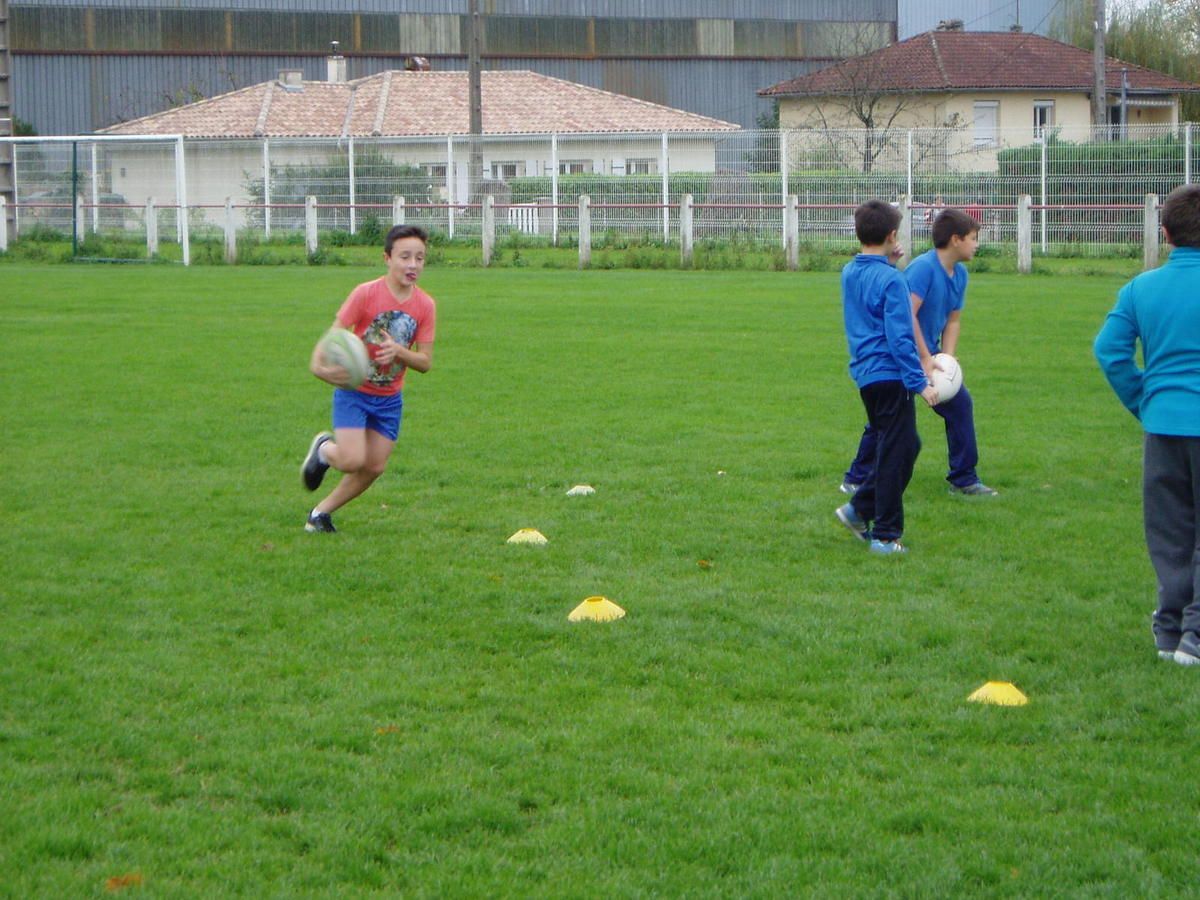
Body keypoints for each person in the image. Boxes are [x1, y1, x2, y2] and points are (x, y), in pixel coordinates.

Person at [1094, 183, 1200, 665]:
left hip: (1163, 423)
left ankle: (1169, 631)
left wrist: (1144, 398)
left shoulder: (1141, 287)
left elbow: (1109, 350)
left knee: (1170, 530)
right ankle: (1195, 637)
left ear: (1165, 232)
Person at [840, 208, 998, 497]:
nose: (977, 244)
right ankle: (857, 477)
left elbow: (953, 320)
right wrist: (924, 359)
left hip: (926, 355)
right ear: (956, 239)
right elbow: (906, 316)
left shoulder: (960, 275)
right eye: (973, 238)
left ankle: (964, 478)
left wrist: (946, 360)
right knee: (887, 421)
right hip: (903, 355)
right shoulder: (923, 268)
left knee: (959, 405)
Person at [300, 224, 436, 533]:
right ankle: (324, 449)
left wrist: (399, 352)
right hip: (355, 392)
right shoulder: (366, 294)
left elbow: (425, 362)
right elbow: (334, 333)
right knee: (351, 460)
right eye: (405, 257)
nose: (413, 265)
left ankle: (319, 514)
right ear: (387, 258)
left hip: (389, 400)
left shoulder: (425, 305)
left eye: (419, 258)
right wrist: (318, 367)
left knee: (374, 466)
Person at [835, 199, 939, 555]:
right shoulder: (894, 281)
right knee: (897, 453)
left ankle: (858, 509)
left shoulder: (849, 272)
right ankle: (885, 536)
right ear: (893, 235)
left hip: (866, 375)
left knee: (905, 446)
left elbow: (870, 294)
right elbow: (899, 337)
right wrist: (919, 383)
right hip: (891, 376)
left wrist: (889, 262)